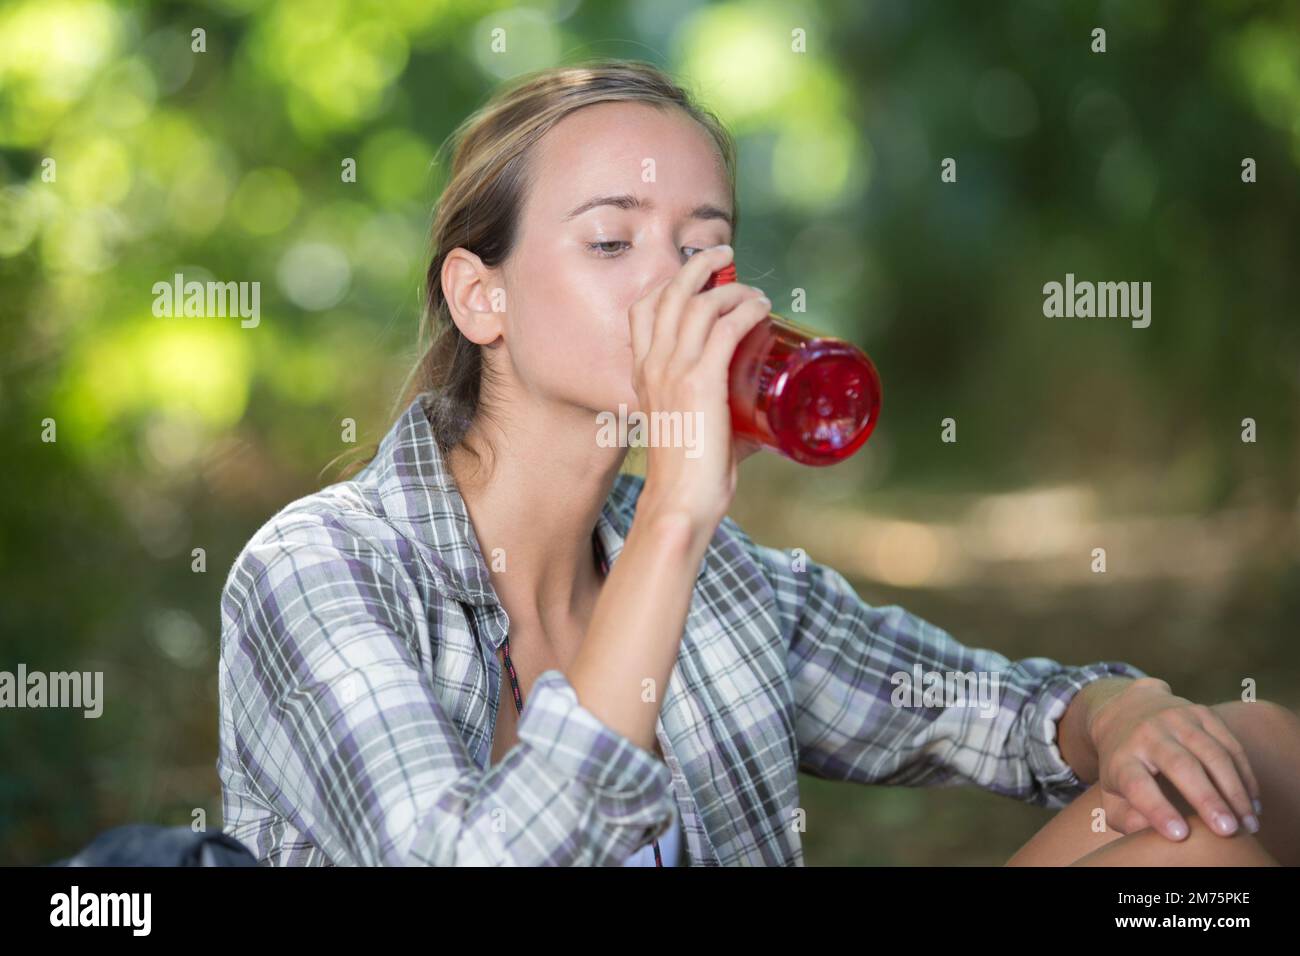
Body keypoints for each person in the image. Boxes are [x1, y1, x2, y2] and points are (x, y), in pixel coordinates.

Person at [216, 59, 1299, 866]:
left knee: (1247, 752)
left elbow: (989, 710)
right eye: (611, 240)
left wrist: (1115, 708)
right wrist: (677, 511)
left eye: (702, 244)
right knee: (1195, 853)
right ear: (478, 295)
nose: (676, 287)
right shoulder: (318, 568)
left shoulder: (724, 582)